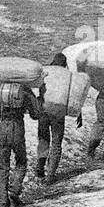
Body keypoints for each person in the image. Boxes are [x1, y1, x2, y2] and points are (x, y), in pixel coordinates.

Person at [0, 82, 40, 207]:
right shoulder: (24, 90)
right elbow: (35, 114)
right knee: (21, 162)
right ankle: (14, 190)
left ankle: (3, 202)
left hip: (0, 127)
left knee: (2, 167)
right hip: (17, 128)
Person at [35, 51, 69, 183]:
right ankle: (50, 174)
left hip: (44, 110)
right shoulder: (66, 76)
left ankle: (40, 165)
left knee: (43, 139)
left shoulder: (45, 73)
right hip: (58, 112)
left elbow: (39, 89)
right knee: (56, 142)